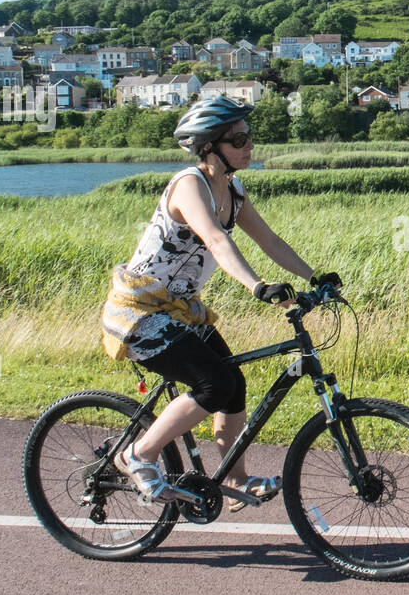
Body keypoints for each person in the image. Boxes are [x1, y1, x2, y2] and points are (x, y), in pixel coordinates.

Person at [100, 95, 340, 506]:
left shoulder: (232, 189)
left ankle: (233, 479)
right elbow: (215, 238)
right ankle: (139, 453)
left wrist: (314, 276)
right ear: (209, 146)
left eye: (249, 137)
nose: (250, 146)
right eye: (239, 139)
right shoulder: (189, 185)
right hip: (140, 313)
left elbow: (268, 240)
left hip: (178, 311)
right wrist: (257, 286)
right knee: (215, 384)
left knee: (234, 385)